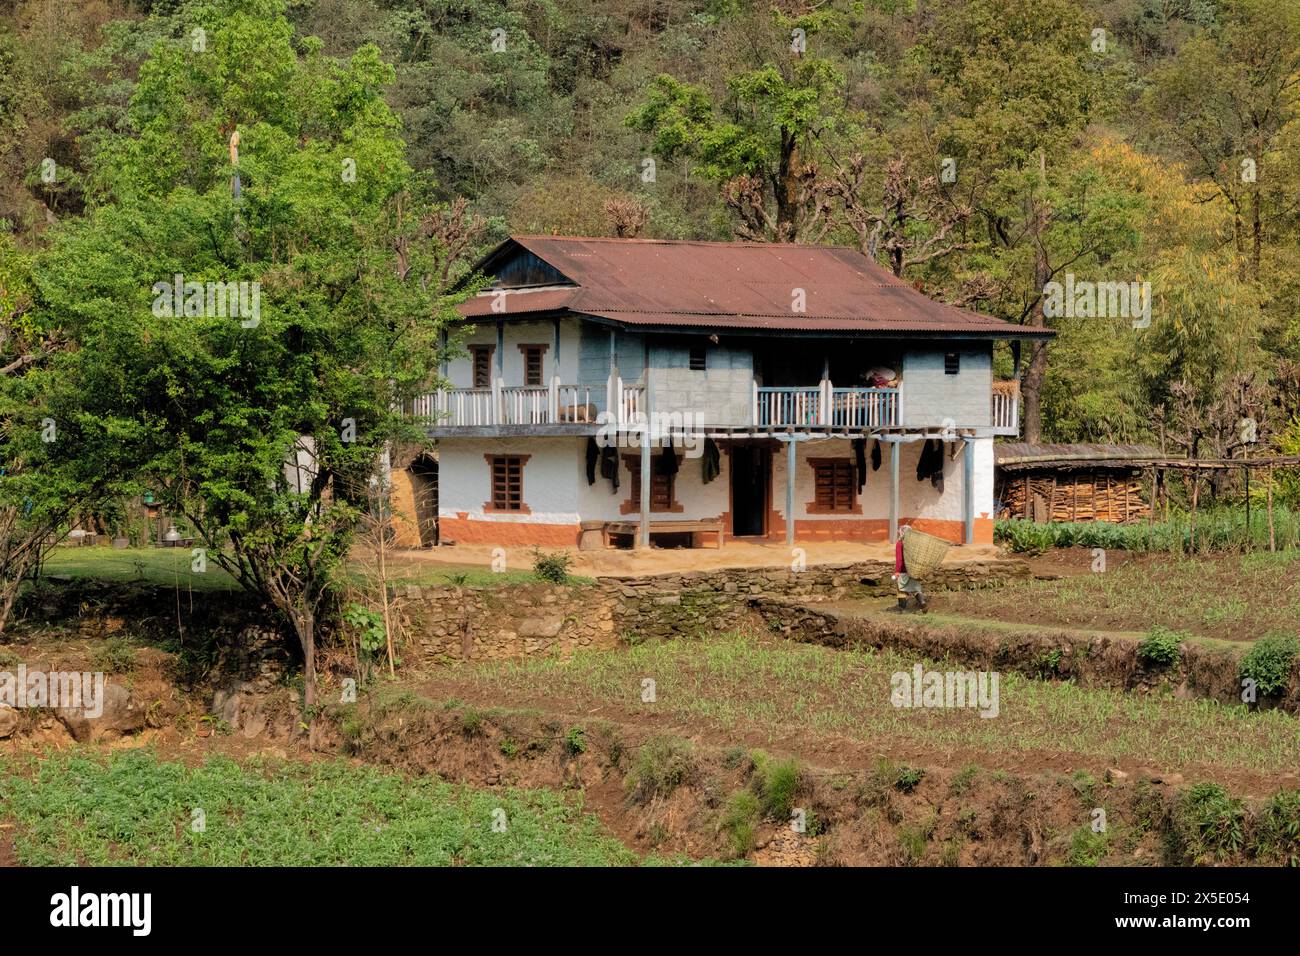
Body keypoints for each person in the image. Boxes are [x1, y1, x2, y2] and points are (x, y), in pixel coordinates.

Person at [893, 526, 927, 612]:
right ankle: (922, 602)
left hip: (903, 570)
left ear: (902, 533)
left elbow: (899, 559)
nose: (898, 532)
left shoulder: (900, 543)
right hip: (914, 569)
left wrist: (897, 571)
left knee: (901, 589)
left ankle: (902, 609)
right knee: (915, 588)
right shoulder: (914, 544)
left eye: (900, 531)